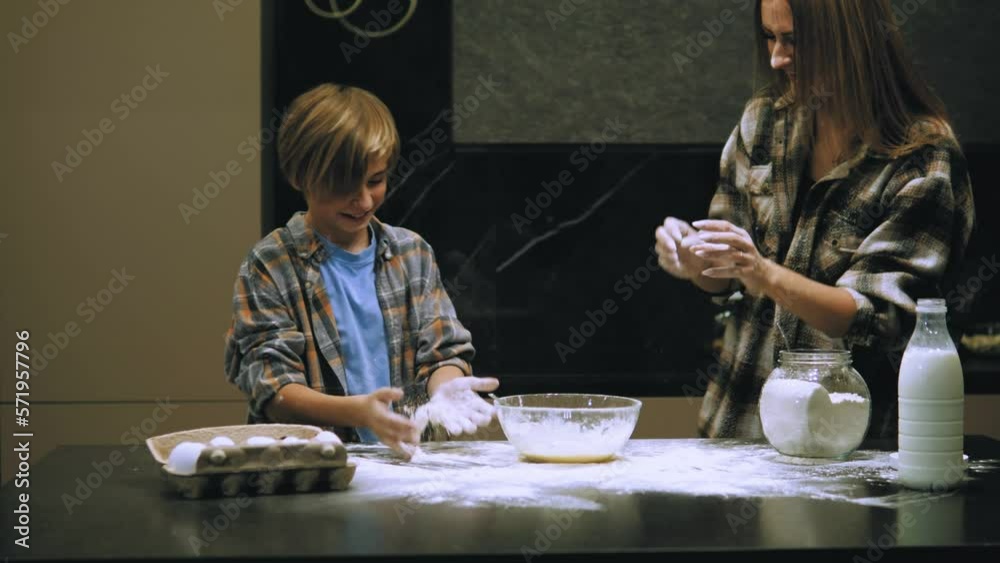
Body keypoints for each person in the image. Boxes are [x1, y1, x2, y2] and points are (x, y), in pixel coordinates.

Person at [655, 0, 975, 439]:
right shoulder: (764, 123)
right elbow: (723, 278)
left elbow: (874, 317)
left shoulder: (921, 160)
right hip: (738, 427)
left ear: (852, 40)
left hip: (848, 448)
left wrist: (760, 270)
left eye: (794, 41)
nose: (776, 58)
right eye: (770, 37)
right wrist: (694, 259)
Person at [224, 83, 498, 457]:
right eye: (343, 186)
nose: (364, 200)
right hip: (311, 469)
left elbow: (443, 353)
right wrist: (360, 412)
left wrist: (444, 388)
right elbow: (273, 389)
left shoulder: (411, 253)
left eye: (375, 181)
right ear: (300, 176)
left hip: (403, 466)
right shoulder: (271, 264)